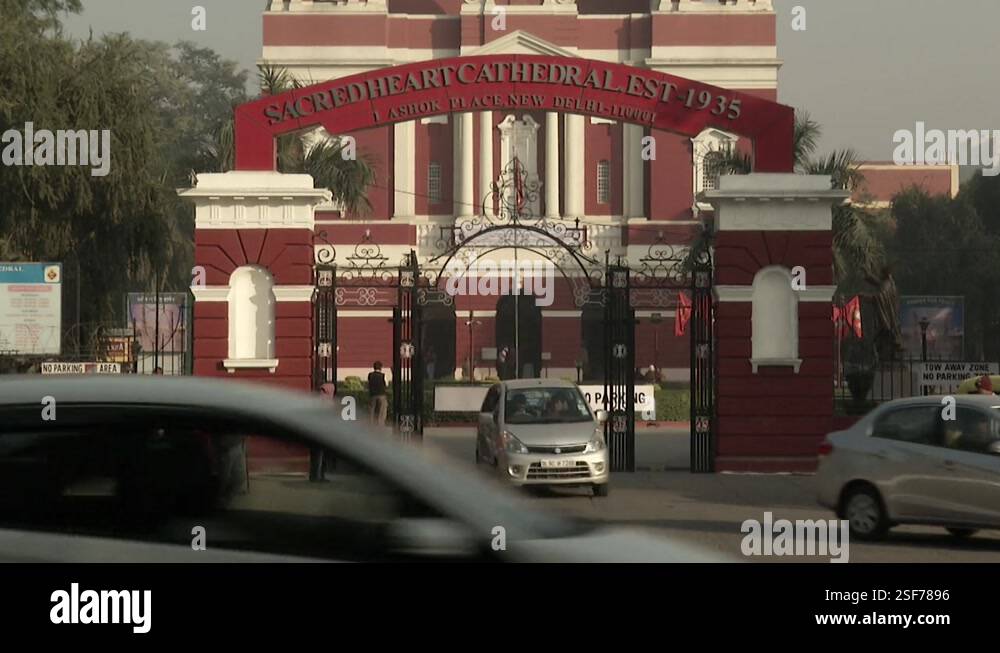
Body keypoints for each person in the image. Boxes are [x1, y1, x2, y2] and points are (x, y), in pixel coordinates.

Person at [368, 361, 388, 426]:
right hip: (381, 394)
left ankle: (371, 423)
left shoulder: (370, 375)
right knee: (382, 410)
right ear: (381, 367)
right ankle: (380, 424)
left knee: (372, 410)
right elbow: (386, 384)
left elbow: (369, 383)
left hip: (372, 394)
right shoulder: (383, 375)